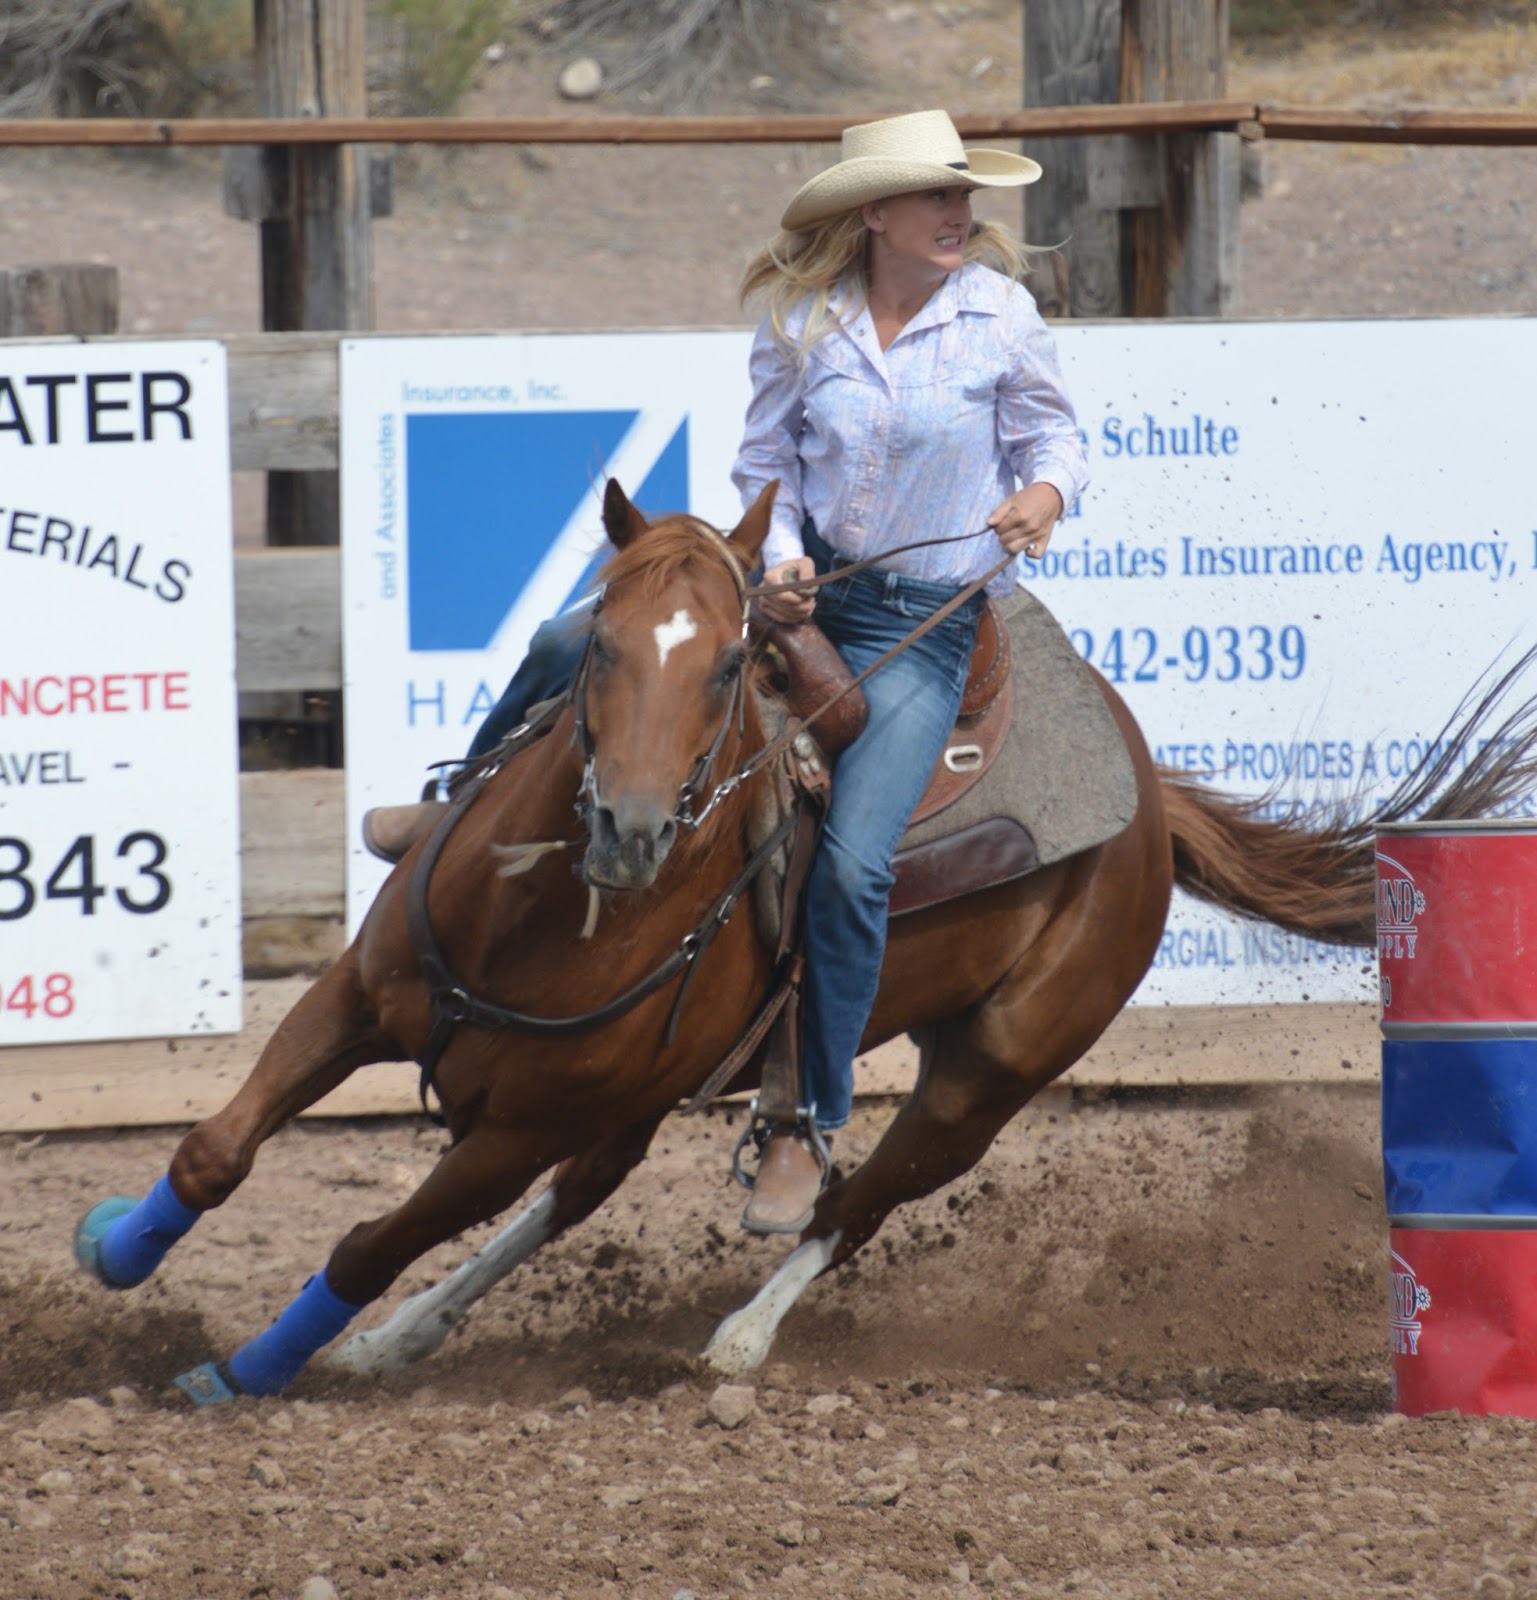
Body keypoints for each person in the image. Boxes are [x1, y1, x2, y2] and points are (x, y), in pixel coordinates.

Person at [362, 108, 1089, 1235]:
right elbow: (767, 465)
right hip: (807, 594)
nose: (962, 215)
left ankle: (805, 1119)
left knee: (850, 866)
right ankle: (457, 808)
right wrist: (782, 558)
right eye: (939, 196)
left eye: (963, 198)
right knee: (571, 644)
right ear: (874, 213)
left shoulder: (1001, 315)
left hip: (927, 620)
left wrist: (1041, 495)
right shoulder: (802, 322)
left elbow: (1056, 441)